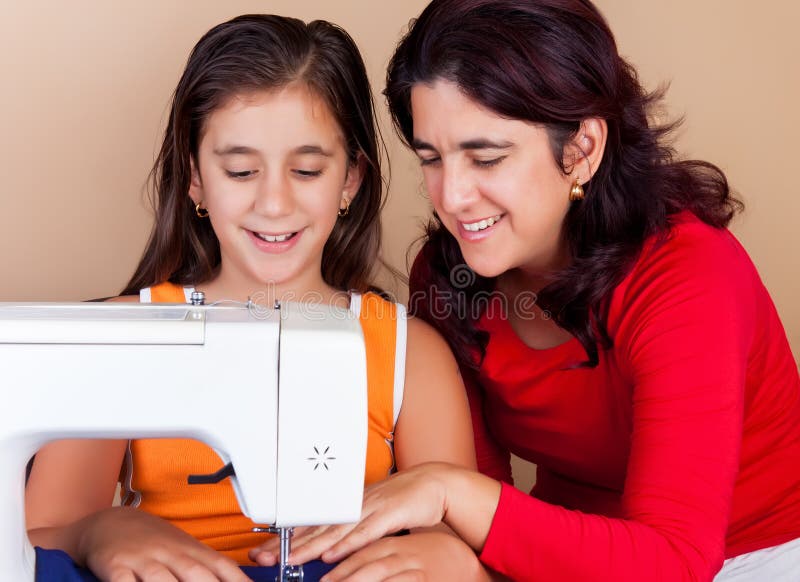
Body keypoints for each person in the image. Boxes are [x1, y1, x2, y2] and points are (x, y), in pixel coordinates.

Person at [273, 1, 800, 581]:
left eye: (486, 157)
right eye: (432, 159)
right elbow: (488, 503)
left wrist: (449, 493)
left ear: (581, 150)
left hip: (748, 556)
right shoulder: (451, 276)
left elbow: (673, 560)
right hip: (568, 553)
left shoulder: (689, 275)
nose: (451, 197)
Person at [25, 14, 482, 582]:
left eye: (308, 170)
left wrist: (447, 557)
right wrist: (102, 530)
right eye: (241, 170)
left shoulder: (410, 356)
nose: (273, 202)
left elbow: (457, 534)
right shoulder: (122, 340)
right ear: (194, 175)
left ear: (350, 180)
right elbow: (37, 538)